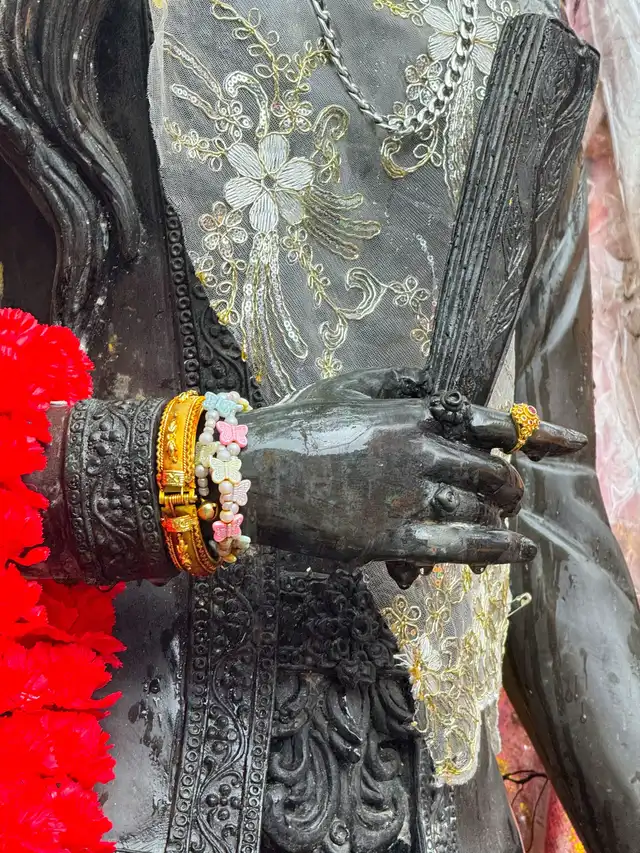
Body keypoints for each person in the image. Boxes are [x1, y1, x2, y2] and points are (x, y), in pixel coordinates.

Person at [1, 0, 639, 851]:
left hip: (442, 817)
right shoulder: (54, 25)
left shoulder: (509, 31)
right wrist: (239, 474)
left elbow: (549, 517)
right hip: (120, 790)